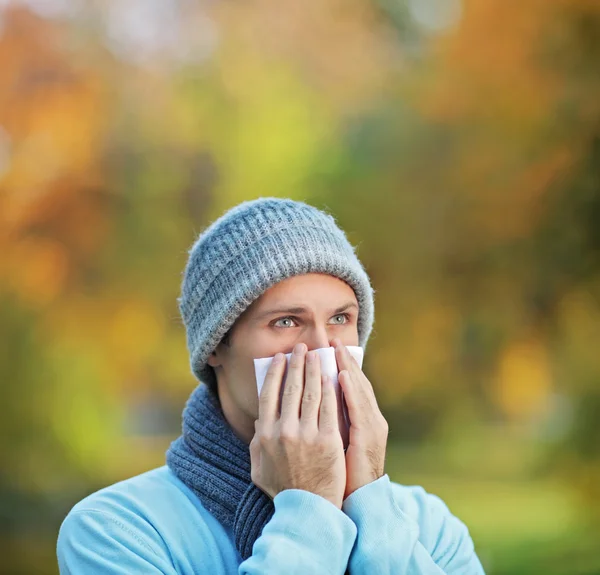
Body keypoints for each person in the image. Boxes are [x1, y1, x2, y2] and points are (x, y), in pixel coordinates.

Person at [57, 198, 485, 574]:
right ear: (216, 346)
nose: (322, 348)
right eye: (286, 321)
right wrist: (309, 508)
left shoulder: (425, 525)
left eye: (341, 319)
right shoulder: (117, 531)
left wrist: (370, 504)